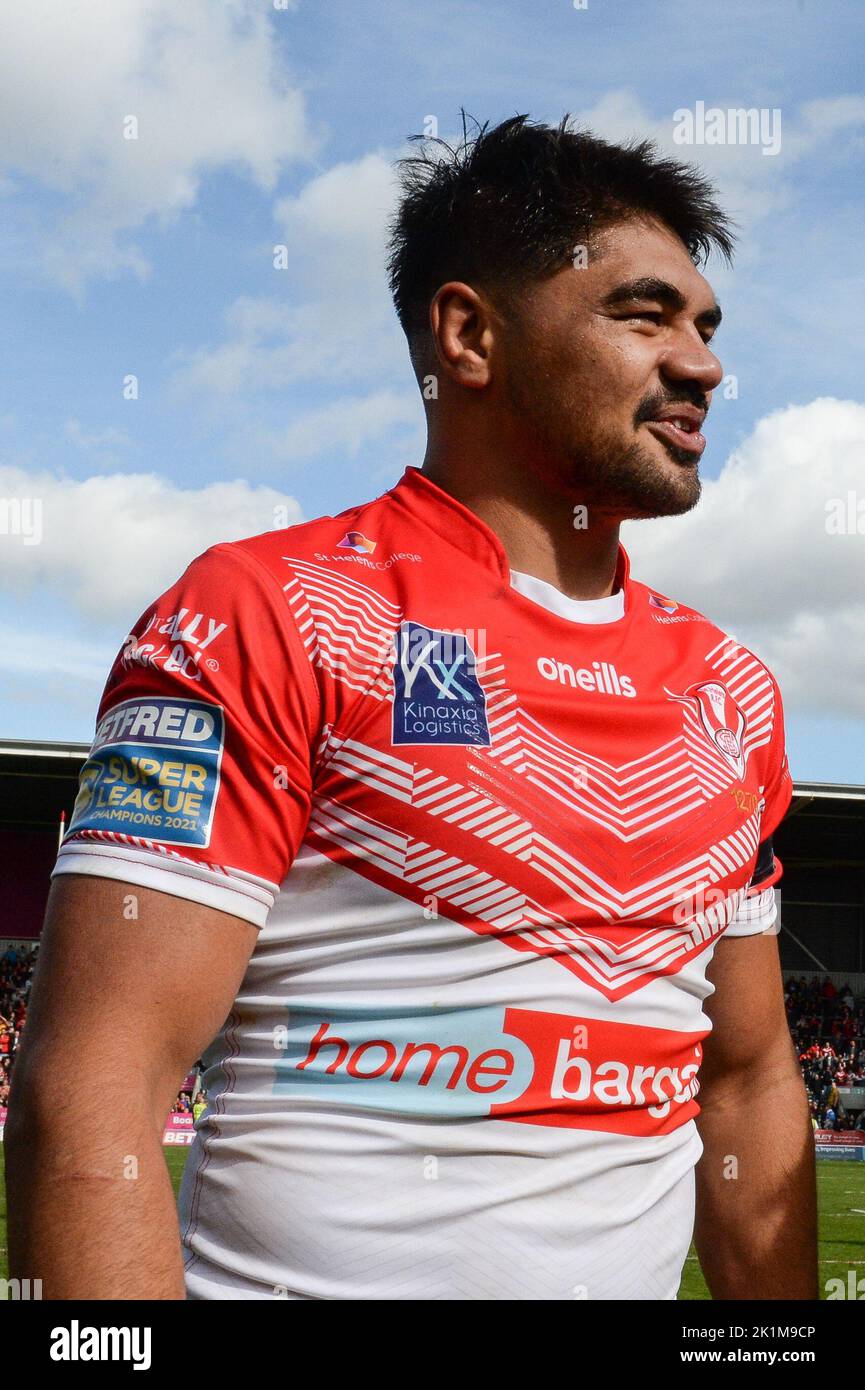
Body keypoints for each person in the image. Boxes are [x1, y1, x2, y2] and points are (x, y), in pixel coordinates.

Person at [6, 113, 816, 1302]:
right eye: (643, 315)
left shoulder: (732, 689)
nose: (700, 365)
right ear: (469, 334)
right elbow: (92, 1084)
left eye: (704, 327)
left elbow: (744, 1083)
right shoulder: (264, 610)